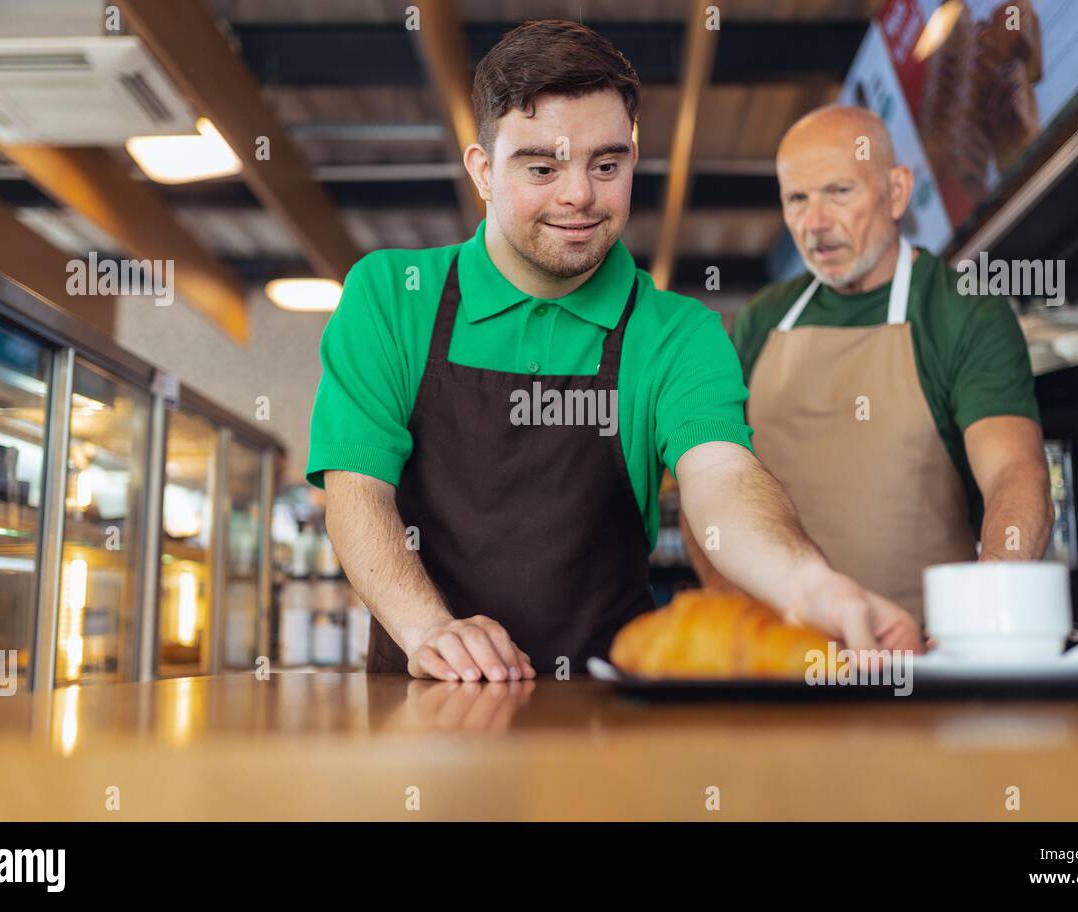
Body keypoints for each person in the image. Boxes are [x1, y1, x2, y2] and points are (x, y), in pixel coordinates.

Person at [306, 22, 922, 681]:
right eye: (542, 167)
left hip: (607, 717)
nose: (580, 195)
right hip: (420, 710)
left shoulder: (675, 330)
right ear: (483, 172)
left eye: (607, 165)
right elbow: (358, 493)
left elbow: (722, 478)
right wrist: (431, 631)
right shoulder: (390, 296)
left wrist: (809, 586)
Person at [683, 105, 1052, 620]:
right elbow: (705, 476)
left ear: (897, 191)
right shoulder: (763, 318)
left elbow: (1015, 473)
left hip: (921, 656)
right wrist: (732, 609)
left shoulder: (964, 312)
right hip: (782, 658)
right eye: (797, 199)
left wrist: (984, 610)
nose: (815, 224)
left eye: (839, 191)